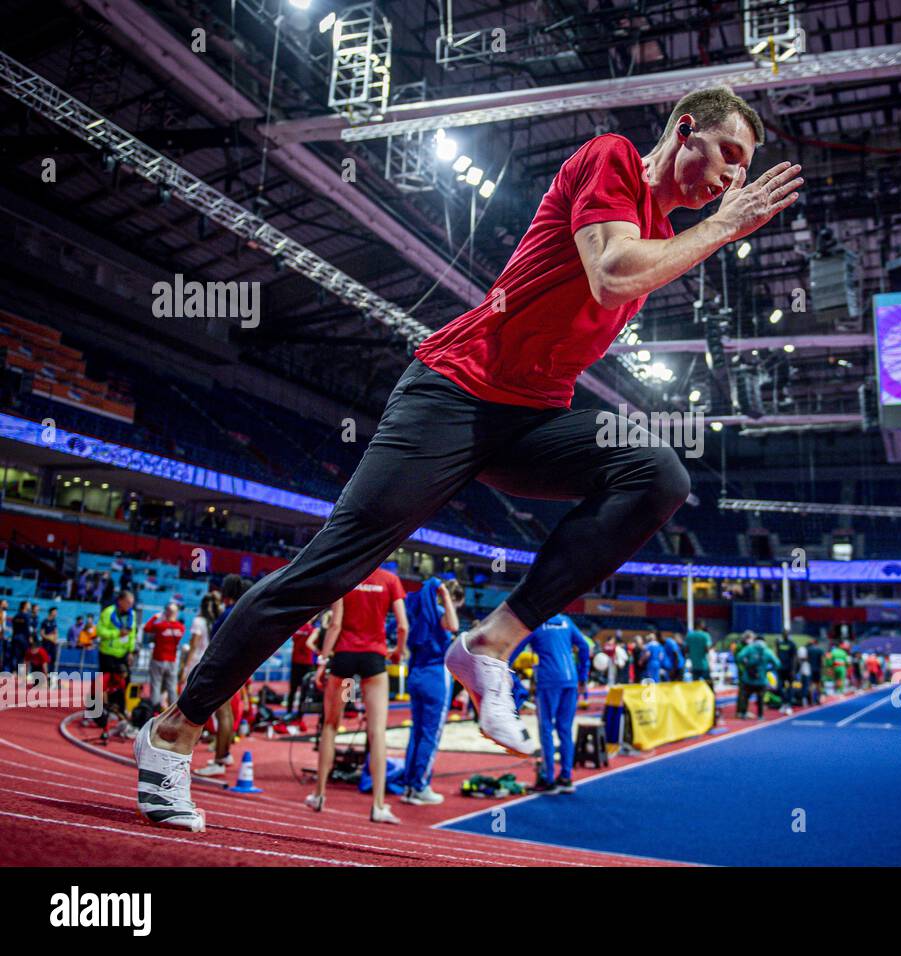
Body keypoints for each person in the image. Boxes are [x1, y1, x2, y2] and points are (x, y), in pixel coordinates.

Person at [134, 86, 800, 831]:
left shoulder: (662, 228)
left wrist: (711, 227)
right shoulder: (610, 157)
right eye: (731, 156)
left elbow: (624, 275)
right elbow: (614, 272)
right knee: (329, 570)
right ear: (686, 132)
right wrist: (722, 227)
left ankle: (488, 644)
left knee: (659, 476)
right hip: (453, 396)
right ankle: (172, 732)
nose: (732, 180)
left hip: (531, 419)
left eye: (743, 171)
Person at [304, 562, 408, 824]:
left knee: (330, 726)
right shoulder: (390, 580)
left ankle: (319, 795)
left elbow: (336, 624)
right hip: (374, 658)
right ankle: (378, 806)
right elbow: (403, 626)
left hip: (344, 658)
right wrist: (397, 652)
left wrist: (322, 662)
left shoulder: (346, 575)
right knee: (377, 733)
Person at [509, 611, 590, 794]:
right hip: (571, 680)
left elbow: (514, 651)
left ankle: (549, 779)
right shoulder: (566, 621)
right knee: (565, 729)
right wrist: (583, 676)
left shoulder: (535, 623)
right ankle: (566, 778)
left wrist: (508, 673)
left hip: (549, 681)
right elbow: (584, 646)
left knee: (546, 728)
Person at [400, 576, 463, 806]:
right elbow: (454, 625)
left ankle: (409, 785)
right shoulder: (439, 612)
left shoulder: (420, 611)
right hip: (435, 677)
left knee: (416, 733)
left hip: (415, 674)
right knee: (430, 734)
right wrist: (446, 596)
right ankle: (420, 786)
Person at [194, 578, 250, 778]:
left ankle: (219, 760)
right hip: (234, 665)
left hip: (223, 665)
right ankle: (224, 755)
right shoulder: (242, 611)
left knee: (223, 713)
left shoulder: (229, 612)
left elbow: (217, 642)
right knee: (227, 713)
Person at [94, 592, 138, 739]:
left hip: (123, 655)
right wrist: (117, 633)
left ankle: (119, 710)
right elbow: (99, 631)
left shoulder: (132, 615)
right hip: (107, 654)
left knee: (124, 683)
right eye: (128, 602)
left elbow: (132, 634)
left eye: (132, 603)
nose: (130, 605)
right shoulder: (108, 612)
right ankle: (98, 712)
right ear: (120, 601)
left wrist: (131, 652)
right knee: (103, 683)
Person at [144, 603, 186, 714]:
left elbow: (146, 628)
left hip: (158, 659)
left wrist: (156, 617)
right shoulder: (181, 628)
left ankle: (155, 710)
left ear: (166, 612)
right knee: (172, 687)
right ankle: (175, 711)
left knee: (156, 685)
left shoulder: (160, 626)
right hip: (172, 660)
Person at [735, 633, 778, 720]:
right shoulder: (767, 650)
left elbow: (739, 657)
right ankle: (760, 715)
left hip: (748, 678)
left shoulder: (749, 648)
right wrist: (767, 670)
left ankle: (743, 713)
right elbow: (777, 664)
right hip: (761, 679)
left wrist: (746, 665)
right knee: (760, 698)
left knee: (745, 697)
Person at [287, 616, 320, 717]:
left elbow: (293, 639)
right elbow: (311, 644)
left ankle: (289, 712)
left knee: (293, 689)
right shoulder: (313, 630)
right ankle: (300, 714)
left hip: (296, 661)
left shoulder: (297, 629)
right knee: (303, 690)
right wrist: (319, 652)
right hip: (307, 663)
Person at [774, 630, 797, 714]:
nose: (785, 635)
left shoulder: (792, 644)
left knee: (790, 687)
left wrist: (793, 670)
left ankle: (789, 705)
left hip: (789, 669)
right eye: (784, 634)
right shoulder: (779, 644)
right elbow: (776, 653)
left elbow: (794, 657)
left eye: (787, 634)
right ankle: (784, 702)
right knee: (779, 687)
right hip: (780, 669)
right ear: (782, 635)